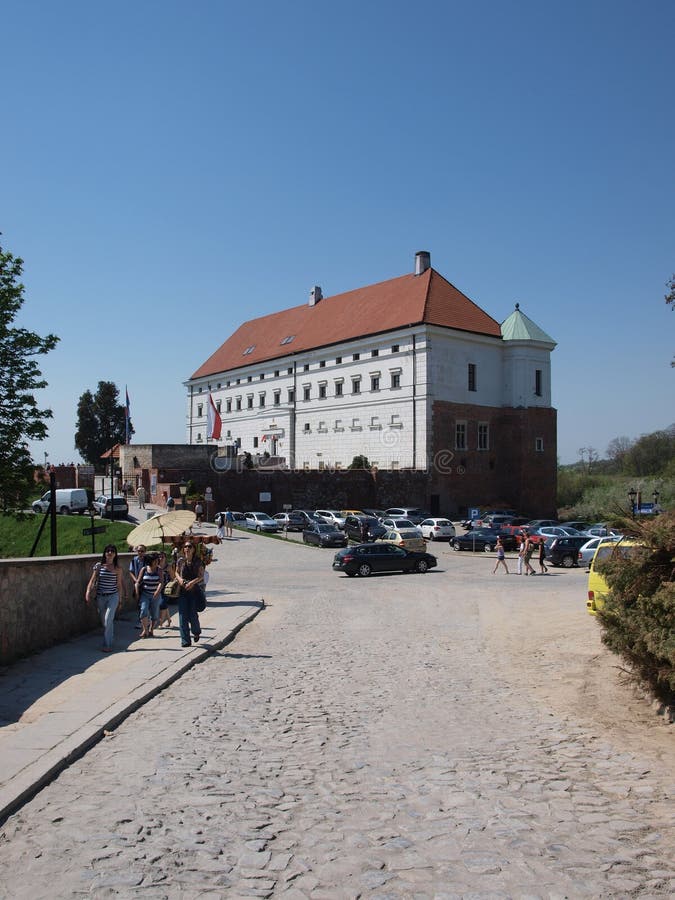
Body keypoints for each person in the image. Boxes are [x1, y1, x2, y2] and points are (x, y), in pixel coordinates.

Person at [85, 544, 125, 652]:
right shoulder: (99, 566)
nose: (110, 553)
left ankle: (107, 645)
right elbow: (92, 580)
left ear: (115, 554)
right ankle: (110, 638)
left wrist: (120, 600)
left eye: (112, 551)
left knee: (108, 620)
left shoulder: (118, 569)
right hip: (101, 597)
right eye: (108, 551)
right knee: (105, 621)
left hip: (113, 596)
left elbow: (119, 585)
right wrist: (88, 591)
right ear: (105, 553)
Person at [175, 542, 205, 647]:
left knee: (192, 615)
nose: (187, 548)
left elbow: (201, 576)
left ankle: (196, 632)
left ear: (193, 549)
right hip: (183, 591)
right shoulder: (180, 561)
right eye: (185, 547)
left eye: (189, 547)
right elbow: (176, 572)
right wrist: (180, 580)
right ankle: (185, 640)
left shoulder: (198, 561)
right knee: (182, 616)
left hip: (194, 591)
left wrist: (192, 583)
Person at [136, 553, 163, 638]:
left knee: (154, 614)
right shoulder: (144, 569)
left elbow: (161, 582)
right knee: (143, 610)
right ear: (150, 561)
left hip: (155, 595)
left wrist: (157, 591)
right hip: (145, 594)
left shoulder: (159, 570)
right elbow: (138, 581)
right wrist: (136, 589)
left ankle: (151, 629)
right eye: (154, 560)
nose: (156, 562)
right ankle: (145, 630)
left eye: (157, 560)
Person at [157, 550, 175, 628]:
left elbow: (173, 577)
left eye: (162, 557)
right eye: (159, 557)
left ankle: (160, 623)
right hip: (158, 587)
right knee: (164, 605)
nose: (161, 558)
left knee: (162, 604)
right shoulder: (156, 567)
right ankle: (168, 619)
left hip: (166, 588)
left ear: (165, 558)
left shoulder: (168, 567)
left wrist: (171, 585)